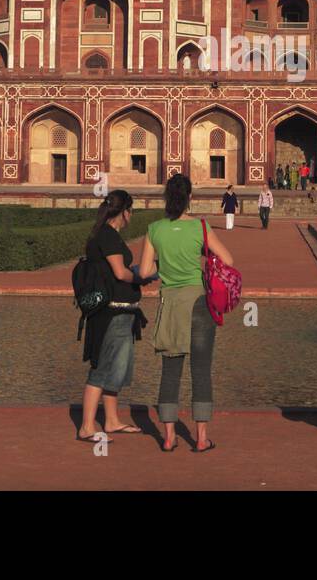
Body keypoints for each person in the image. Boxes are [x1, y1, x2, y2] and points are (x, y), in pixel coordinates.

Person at [137, 174, 234, 453]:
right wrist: (200, 256)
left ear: (167, 198)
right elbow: (227, 260)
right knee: (201, 370)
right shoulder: (200, 227)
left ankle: (168, 437)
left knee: (170, 372)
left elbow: (144, 272)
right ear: (190, 197)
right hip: (199, 303)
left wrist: (164, 267)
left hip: (170, 305)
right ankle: (201, 438)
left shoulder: (154, 228)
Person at [78, 190, 150, 442]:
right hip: (111, 312)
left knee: (114, 369)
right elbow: (120, 273)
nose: (132, 216)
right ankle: (87, 426)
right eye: (131, 211)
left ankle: (111, 420)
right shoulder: (108, 235)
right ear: (124, 212)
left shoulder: (106, 234)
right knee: (103, 366)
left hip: (120, 311)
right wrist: (142, 276)